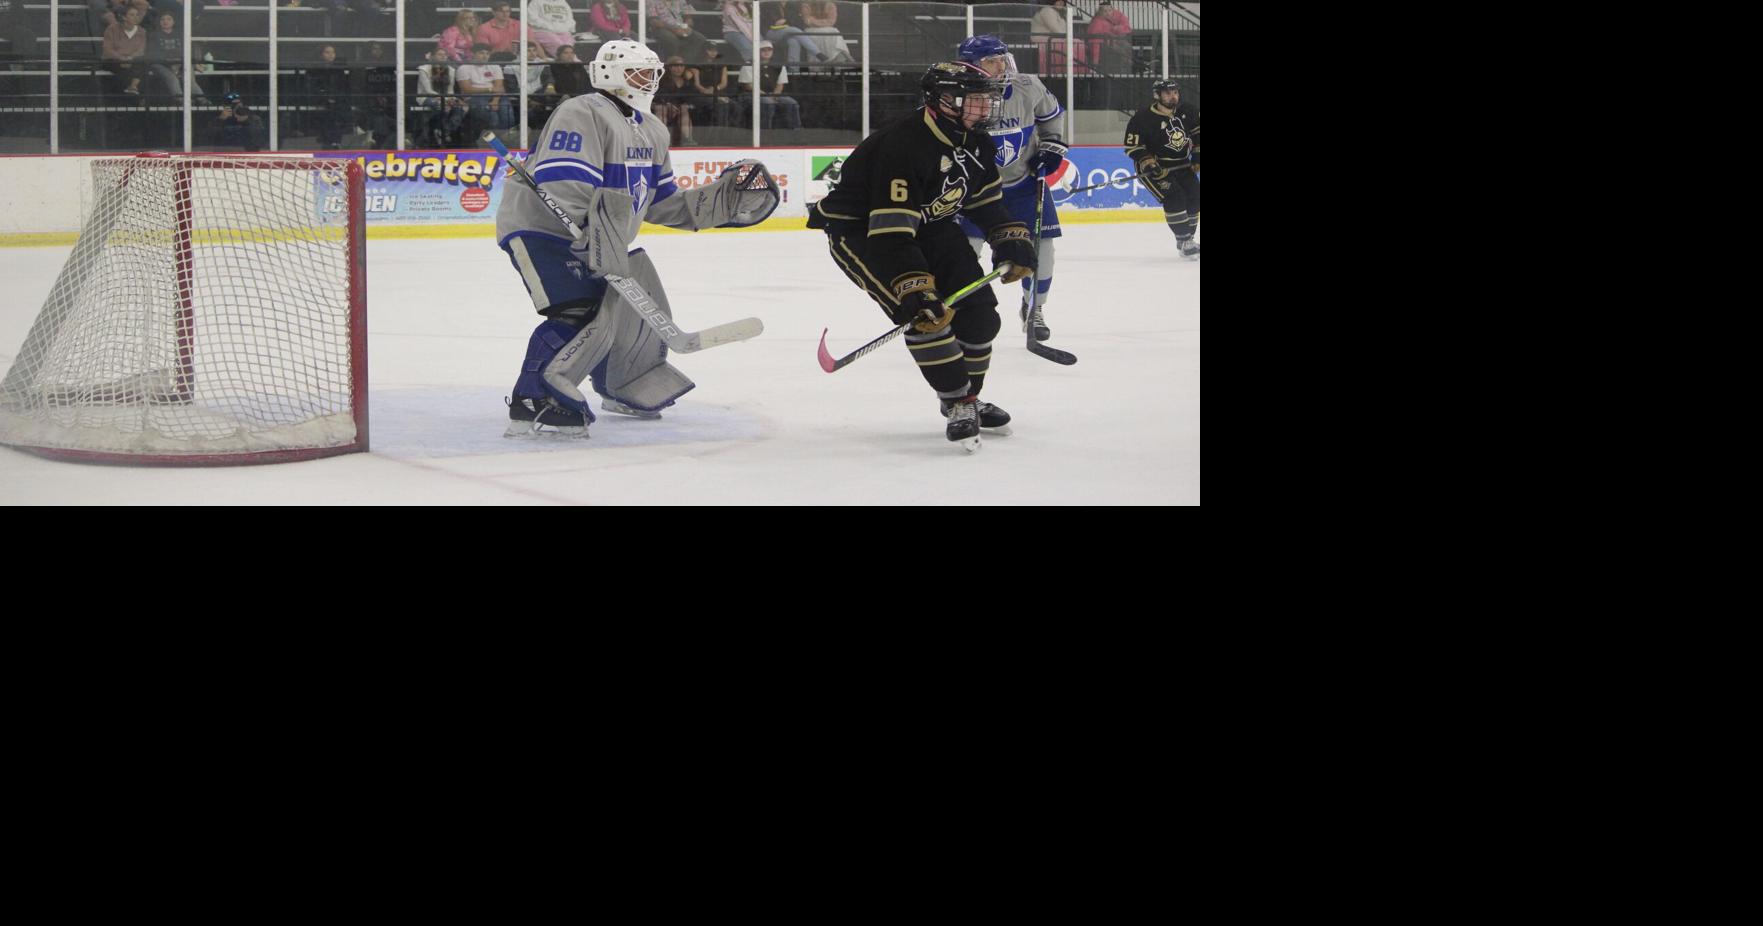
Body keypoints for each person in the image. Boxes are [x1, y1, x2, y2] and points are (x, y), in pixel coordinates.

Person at [495, 40, 779, 437]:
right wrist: (592, 235)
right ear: (609, 73)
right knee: (579, 311)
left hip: (599, 237)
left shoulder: (653, 130)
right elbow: (567, 180)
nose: (648, 80)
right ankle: (535, 400)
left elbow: (661, 203)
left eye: (651, 72)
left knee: (614, 311)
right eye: (637, 72)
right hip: (545, 230)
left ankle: (619, 384)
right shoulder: (582, 111)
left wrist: (720, 206)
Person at [805, 62, 1038, 450]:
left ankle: (968, 399)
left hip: (930, 226)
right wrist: (914, 286)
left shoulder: (977, 141)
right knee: (925, 315)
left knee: (980, 316)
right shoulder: (902, 144)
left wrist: (1009, 237)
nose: (984, 109)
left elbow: (985, 203)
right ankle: (958, 401)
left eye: (986, 100)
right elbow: (892, 232)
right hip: (866, 234)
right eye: (975, 100)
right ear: (943, 101)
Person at [951, 34, 1066, 341]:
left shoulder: (1028, 86)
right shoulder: (957, 94)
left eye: (1002, 58)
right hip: (975, 193)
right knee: (963, 253)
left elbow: (1051, 119)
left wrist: (1051, 148)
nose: (1001, 66)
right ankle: (961, 310)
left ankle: (1034, 308)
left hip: (1023, 186)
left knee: (1042, 250)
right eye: (992, 60)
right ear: (972, 65)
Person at [1125, 78, 1200, 257]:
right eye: (1167, 93)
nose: (1173, 96)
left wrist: (1197, 157)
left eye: (1175, 92)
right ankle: (1185, 240)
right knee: (1174, 196)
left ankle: (1186, 239)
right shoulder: (1142, 118)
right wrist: (1150, 163)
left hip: (1182, 164)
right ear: (1157, 95)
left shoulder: (1188, 111)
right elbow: (1133, 147)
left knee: (1195, 196)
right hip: (1153, 167)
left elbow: (1198, 135)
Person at [735, 40, 798, 129]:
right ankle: (765, 132)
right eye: (763, 50)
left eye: (769, 50)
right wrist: (766, 96)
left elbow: (780, 84)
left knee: (791, 102)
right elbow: (748, 86)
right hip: (750, 95)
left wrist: (774, 95)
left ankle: (795, 130)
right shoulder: (749, 64)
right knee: (767, 103)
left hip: (771, 95)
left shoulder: (778, 65)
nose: (767, 52)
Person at [101, 3, 147, 96]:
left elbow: (141, 50)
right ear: (123, 17)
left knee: (142, 63)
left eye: (137, 15)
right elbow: (107, 49)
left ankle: (133, 87)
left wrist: (129, 58)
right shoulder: (112, 29)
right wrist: (122, 58)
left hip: (132, 61)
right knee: (129, 71)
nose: (136, 17)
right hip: (113, 60)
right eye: (132, 15)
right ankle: (133, 93)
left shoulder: (141, 31)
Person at [645, 0, 709, 66]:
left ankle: (685, 64)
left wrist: (687, 25)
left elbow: (688, 15)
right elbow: (654, 22)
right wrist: (674, 29)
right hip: (662, 28)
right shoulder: (651, 1)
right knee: (672, 40)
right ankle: (674, 66)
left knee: (699, 38)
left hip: (680, 27)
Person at [1030, 0, 1083, 75]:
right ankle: (1067, 70)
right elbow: (1055, 29)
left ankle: (1075, 70)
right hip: (1042, 39)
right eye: (1058, 1)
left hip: (1054, 38)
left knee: (1077, 43)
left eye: (1063, 1)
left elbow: (1064, 29)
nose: (1061, 3)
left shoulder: (1059, 12)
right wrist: (1068, 36)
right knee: (1075, 43)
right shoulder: (1047, 11)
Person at [653, 56, 696, 146]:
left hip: (679, 109)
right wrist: (668, 104)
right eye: (675, 66)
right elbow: (657, 96)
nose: (679, 68)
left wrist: (684, 106)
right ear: (669, 67)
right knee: (661, 109)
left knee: (684, 110)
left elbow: (690, 98)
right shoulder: (662, 80)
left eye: (681, 66)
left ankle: (688, 139)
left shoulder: (686, 81)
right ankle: (662, 139)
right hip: (664, 106)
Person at [1085, 0, 1131, 74]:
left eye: (1109, 10)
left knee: (1126, 45)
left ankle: (1128, 64)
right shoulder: (1097, 21)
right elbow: (1095, 38)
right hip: (1103, 43)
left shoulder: (1111, 19)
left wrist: (1117, 30)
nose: (1108, 13)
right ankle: (1126, 65)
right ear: (1100, 12)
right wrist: (1095, 62)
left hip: (1111, 41)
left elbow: (1125, 29)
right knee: (1122, 48)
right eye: (1105, 11)